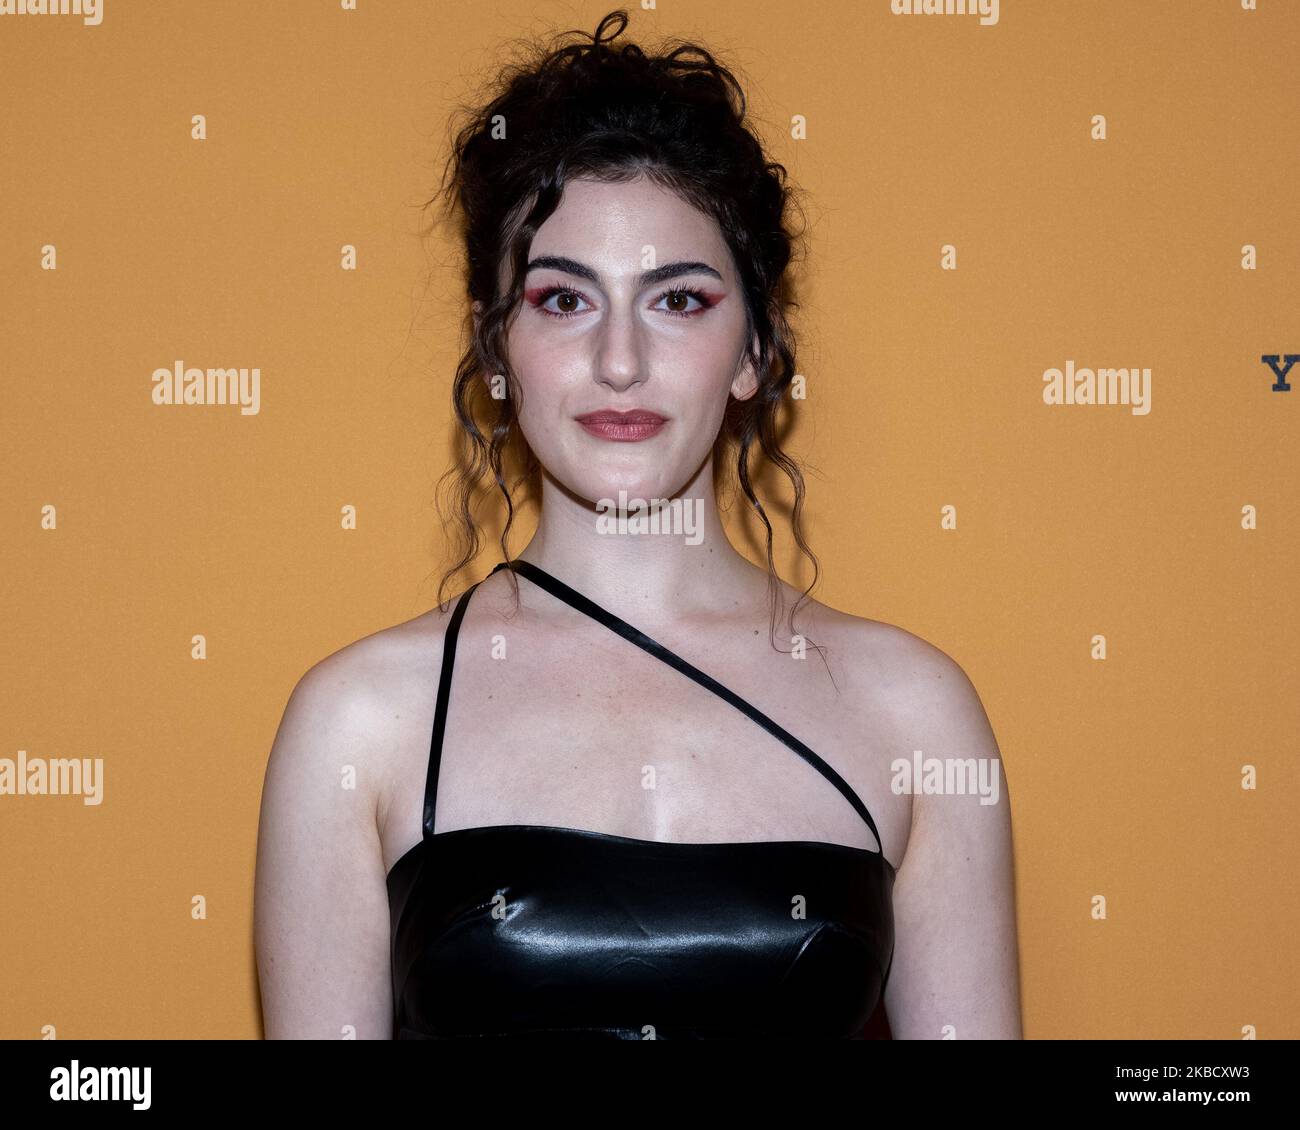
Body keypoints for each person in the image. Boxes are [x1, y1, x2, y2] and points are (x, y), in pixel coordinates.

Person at [254, 8, 1021, 1040]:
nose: (620, 361)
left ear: (755, 352)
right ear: (494, 352)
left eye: (680, 300)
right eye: (564, 300)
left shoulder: (913, 711)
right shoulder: (360, 722)